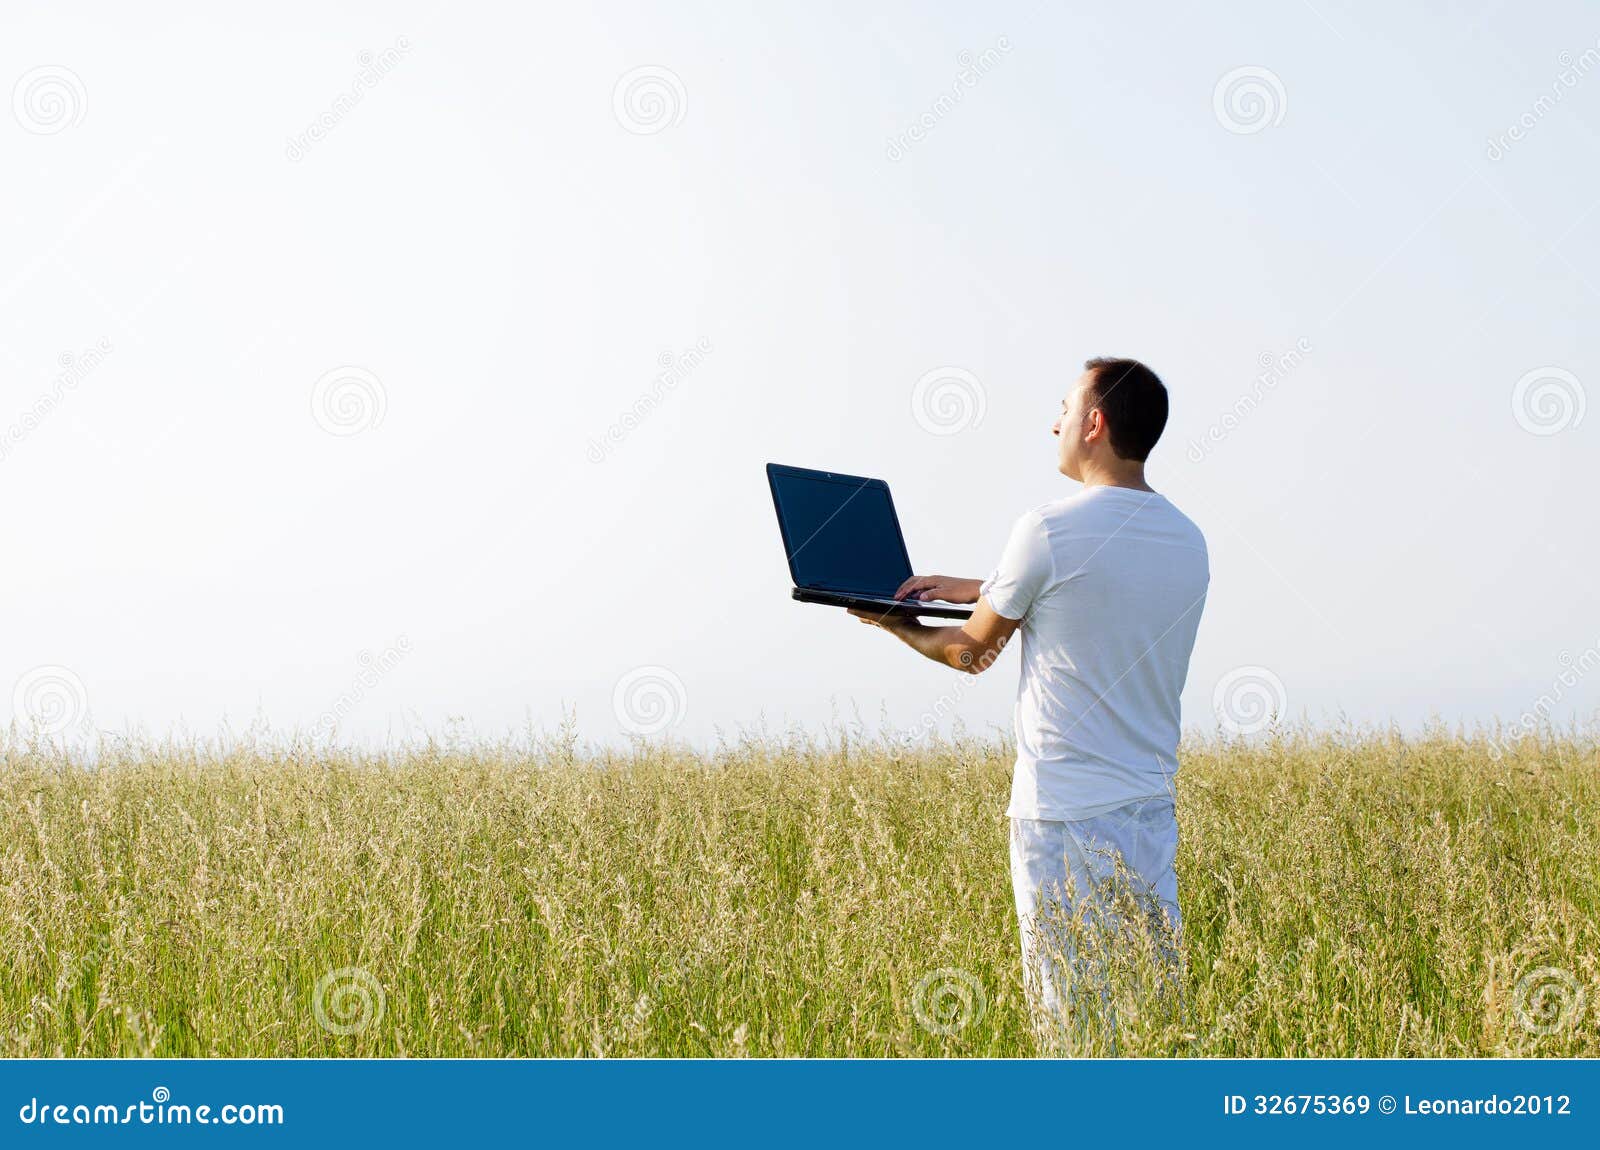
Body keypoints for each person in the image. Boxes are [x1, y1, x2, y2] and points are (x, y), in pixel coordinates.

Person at [850, 357, 1209, 1039]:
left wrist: (899, 625)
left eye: (1066, 410)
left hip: (1062, 816)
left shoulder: (1046, 528)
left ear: (1095, 424)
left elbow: (972, 653)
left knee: (1068, 1019)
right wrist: (984, 586)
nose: (1055, 423)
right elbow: (1096, 596)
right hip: (1148, 811)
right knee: (1152, 1014)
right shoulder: (1188, 540)